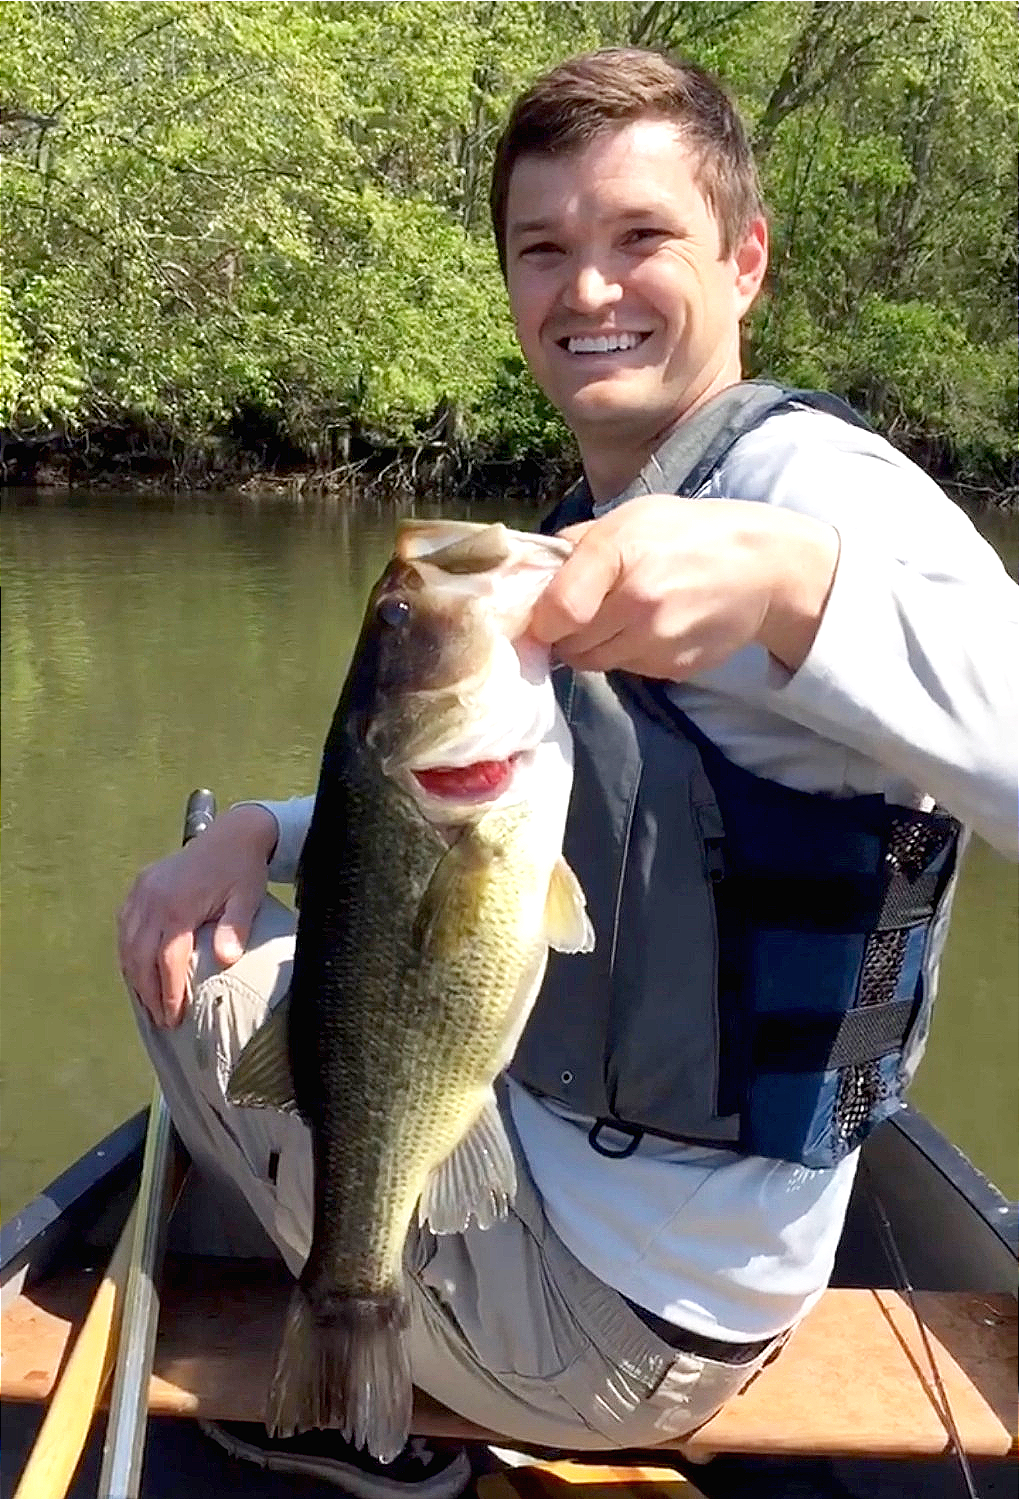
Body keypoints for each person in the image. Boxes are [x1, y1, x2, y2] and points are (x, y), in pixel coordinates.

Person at [117, 46, 1019, 1498]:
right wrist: (263, 835)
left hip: (621, 1326)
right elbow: (495, 803)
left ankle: (375, 1382)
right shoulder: (607, 504)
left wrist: (801, 592)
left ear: (746, 261)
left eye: (639, 238)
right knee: (218, 905)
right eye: (544, 250)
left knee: (180, 968)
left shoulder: (817, 494)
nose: (587, 290)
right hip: (606, 1216)